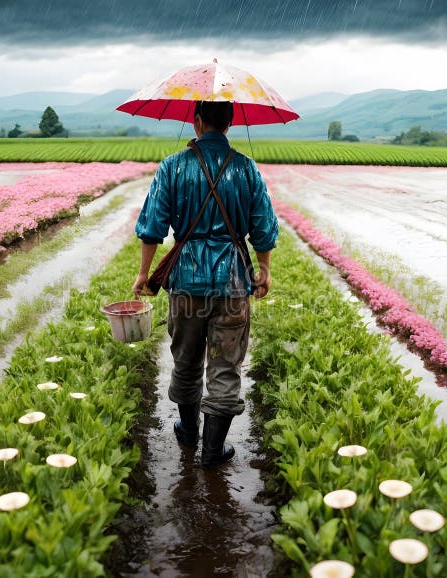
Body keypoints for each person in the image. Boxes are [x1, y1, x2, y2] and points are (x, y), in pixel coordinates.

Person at [132, 100, 279, 467]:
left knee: (185, 359)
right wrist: (263, 269)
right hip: (232, 283)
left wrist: (144, 273)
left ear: (196, 121)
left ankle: (187, 430)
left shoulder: (172, 166)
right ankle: (212, 451)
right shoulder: (246, 168)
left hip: (186, 280)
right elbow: (264, 227)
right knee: (225, 366)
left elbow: (152, 227)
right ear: (230, 123)